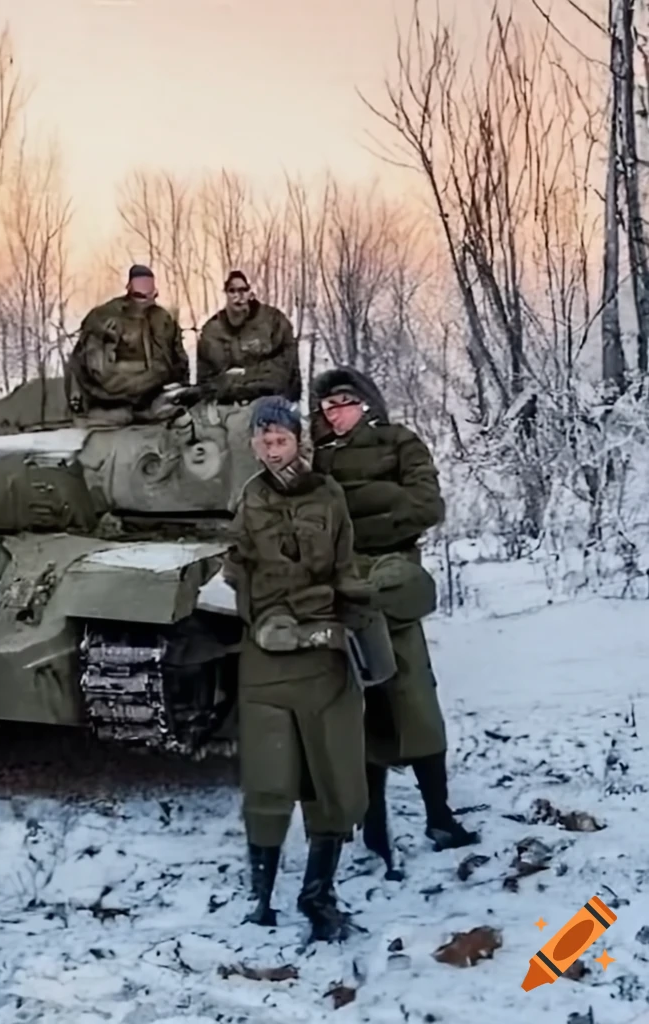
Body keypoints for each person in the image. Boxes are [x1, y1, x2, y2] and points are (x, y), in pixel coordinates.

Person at [309, 366, 479, 877]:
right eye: (325, 407)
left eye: (341, 402)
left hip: (392, 575)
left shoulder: (400, 442)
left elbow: (426, 506)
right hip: (343, 585)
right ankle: (374, 822)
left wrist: (363, 525)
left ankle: (439, 815)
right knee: (363, 703)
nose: (333, 413)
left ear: (364, 402)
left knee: (414, 696)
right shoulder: (318, 459)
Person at [222, 395, 375, 942]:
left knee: (331, 777)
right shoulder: (250, 498)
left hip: (324, 654)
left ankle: (319, 893)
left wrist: (360, 622)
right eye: (263, 440)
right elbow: (236, 566)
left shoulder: (328, 495)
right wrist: (261, 617)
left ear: (298, 440)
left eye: (280, 438)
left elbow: (344, 565)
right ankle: (260, 899)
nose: (271, 447)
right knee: (267, 779)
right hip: (267, 655)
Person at [65, 264, 189, 422]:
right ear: (129, 288)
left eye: (151, 294)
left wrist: (175, 387)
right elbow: (101, 375)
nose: (147, 301)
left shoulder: (163, 319)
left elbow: (180, 363)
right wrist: (152, 377)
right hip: (109, 407)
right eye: (141, 295)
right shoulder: (106, 318)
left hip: (159, 403)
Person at [196, 271, 301, 403]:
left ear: (250, 293)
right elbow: (204, 380)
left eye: (242, 290)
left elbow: (287, 365)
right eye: (232, 291)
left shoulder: (273, 321)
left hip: (268, 401)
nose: (237, 296)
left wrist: (247, 374)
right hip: (226, 406)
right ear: (226, 294)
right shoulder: (211, 331)